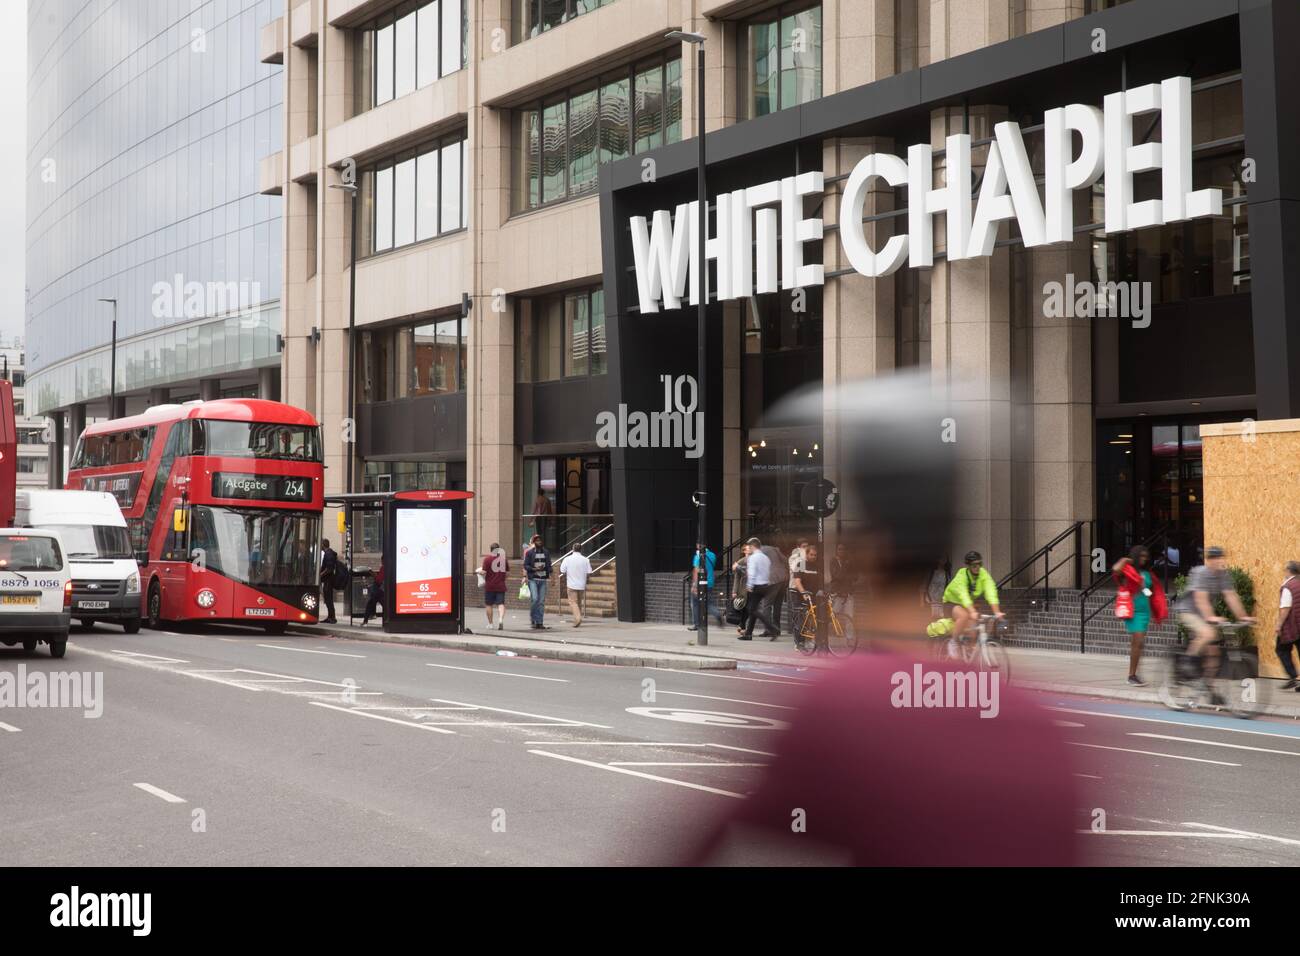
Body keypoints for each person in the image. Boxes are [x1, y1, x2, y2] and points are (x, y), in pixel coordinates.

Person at [1175, 545, 1254, 695]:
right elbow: (1201, 599)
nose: (1220, 561)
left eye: (1221, 557)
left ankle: (1207, 686)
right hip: (1189, 611)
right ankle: (1187, 661)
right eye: (1216, 558)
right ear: (1209, 560)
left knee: (1214, 652)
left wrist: (1243, 616)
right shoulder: (1201, 573)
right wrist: (1211, 617)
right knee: (1208, 634)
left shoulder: (1223, 575)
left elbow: (1231, 596)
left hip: (1204, 614)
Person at [1112, 545, 1167, 686]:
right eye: (1141, 556)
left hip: (1144, 612)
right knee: (1138, 641)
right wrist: (1126, 560)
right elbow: (1116, 569)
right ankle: (1132, 675)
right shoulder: (1128, 570)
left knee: (1139, 643)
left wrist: (1158, 611)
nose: (1144, 559)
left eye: (1145, 556)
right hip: (1133, 610)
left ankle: (1134, 674)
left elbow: (1152, 593)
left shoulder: (1148, 573)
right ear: (1135, 556)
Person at [941, 551, 1003, 645]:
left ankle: (971, 651)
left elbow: (991, 592)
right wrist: (972, 611)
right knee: (964, 615)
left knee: (974, 629)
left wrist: (997, 612)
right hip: (951, 602)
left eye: (979, 564)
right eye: (974, 565)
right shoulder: (962, 575)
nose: (977, 567)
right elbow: (963, 595)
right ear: (968, 566)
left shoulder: (983, 574)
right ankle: (953, 643)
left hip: (966, 605)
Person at [742, 537, 779, 641]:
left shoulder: (753, 558)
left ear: (753, 546)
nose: (748, 548)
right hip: (765, 585)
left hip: (756, 586)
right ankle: (748, 634)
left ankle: (772, 628)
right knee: (753, 609)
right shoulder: (765, 558)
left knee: (751, 609)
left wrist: (749, 586)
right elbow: (767, 572)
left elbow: (752, 573)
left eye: (749, 546)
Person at [790, 543, 824, 647]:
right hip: (800, 595)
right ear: (807, 554)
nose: (813, 557)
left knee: (813, 618)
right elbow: (797, 581)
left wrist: (821, 590)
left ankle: (811, 639)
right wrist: (803, 592)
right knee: (801, 619)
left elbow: (821, 581)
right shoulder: (802, 564)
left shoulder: (817, 566)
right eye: (811, 555)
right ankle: (799, 642)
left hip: (813, 595)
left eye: (815, 555)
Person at [1275, 561, 1300, 691]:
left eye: (1285, 569)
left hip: (1292, 626)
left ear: (1289, 570)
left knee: (1281, 649)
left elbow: (1285, 608)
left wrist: (1278, 625)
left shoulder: (1288, 586)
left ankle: (1292, 677)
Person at [688, 542, 721, 632]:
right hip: (710, 582)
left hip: (700, 583)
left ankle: (696, 624)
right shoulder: (712, 555)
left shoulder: (698, 556)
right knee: (708, 603)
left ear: (699, 545)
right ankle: (717, 613)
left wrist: (694, 585)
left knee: (695, 604)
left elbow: (696, 570)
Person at [522, 534, 552, 630]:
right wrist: (533, 569)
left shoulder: (546, 552)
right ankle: (533, 617)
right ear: (534, 542)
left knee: (541, 601)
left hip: (543, 579)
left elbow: (549, 565)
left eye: (540, 540)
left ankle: (539, 622)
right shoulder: (530, 553)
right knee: (535, 599)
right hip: (533, 579)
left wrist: (552, 577)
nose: (539, 542)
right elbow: (525, 565)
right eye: (537, 541)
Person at [559, 544, 593, 627]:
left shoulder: (567, 559)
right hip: (581, 584)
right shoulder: (586, 560)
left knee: (573, 602)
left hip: (571, 584)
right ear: (581, 549)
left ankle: (578, 618)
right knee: (579, 602)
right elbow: (589, 572)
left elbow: (562, 570)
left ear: (572, 549)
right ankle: (577, 618)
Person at [761, 541, 789, 636]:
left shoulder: (759, 551)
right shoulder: (775, 549)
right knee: (777, 606)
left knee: (766, 605)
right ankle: (777, 629)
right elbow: (785, 560)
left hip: (772, 580)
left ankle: (769, 630)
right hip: (783, 579)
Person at [481, 544, 508, 630]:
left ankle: (490, 624)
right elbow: (507, 573)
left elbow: (484, 572)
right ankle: (500, 619)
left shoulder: (487, 559)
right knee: (501, 604)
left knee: (489, 604)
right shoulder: (503, 559)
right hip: (500, 585)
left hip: (490, 586)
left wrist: (479, 572)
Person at [319, 538, 339, 624]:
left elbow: (329, 568)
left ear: (323, 545)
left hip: (328, 580)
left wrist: (321, 574)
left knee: (328, 599)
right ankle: (330, 616)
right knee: (327, 599)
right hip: (328, 580)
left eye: (321, 544)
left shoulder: (328, 554)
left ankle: (332, 617)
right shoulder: (329, 553)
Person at [361, 561, 385, 626]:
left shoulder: (383, 568)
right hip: (381, 591)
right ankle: (373, 617)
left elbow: (378, 580)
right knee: (384, 606)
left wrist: (372, 573)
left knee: (370, 605)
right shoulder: (388, 567)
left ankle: (365, 621)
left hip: (378, 591)